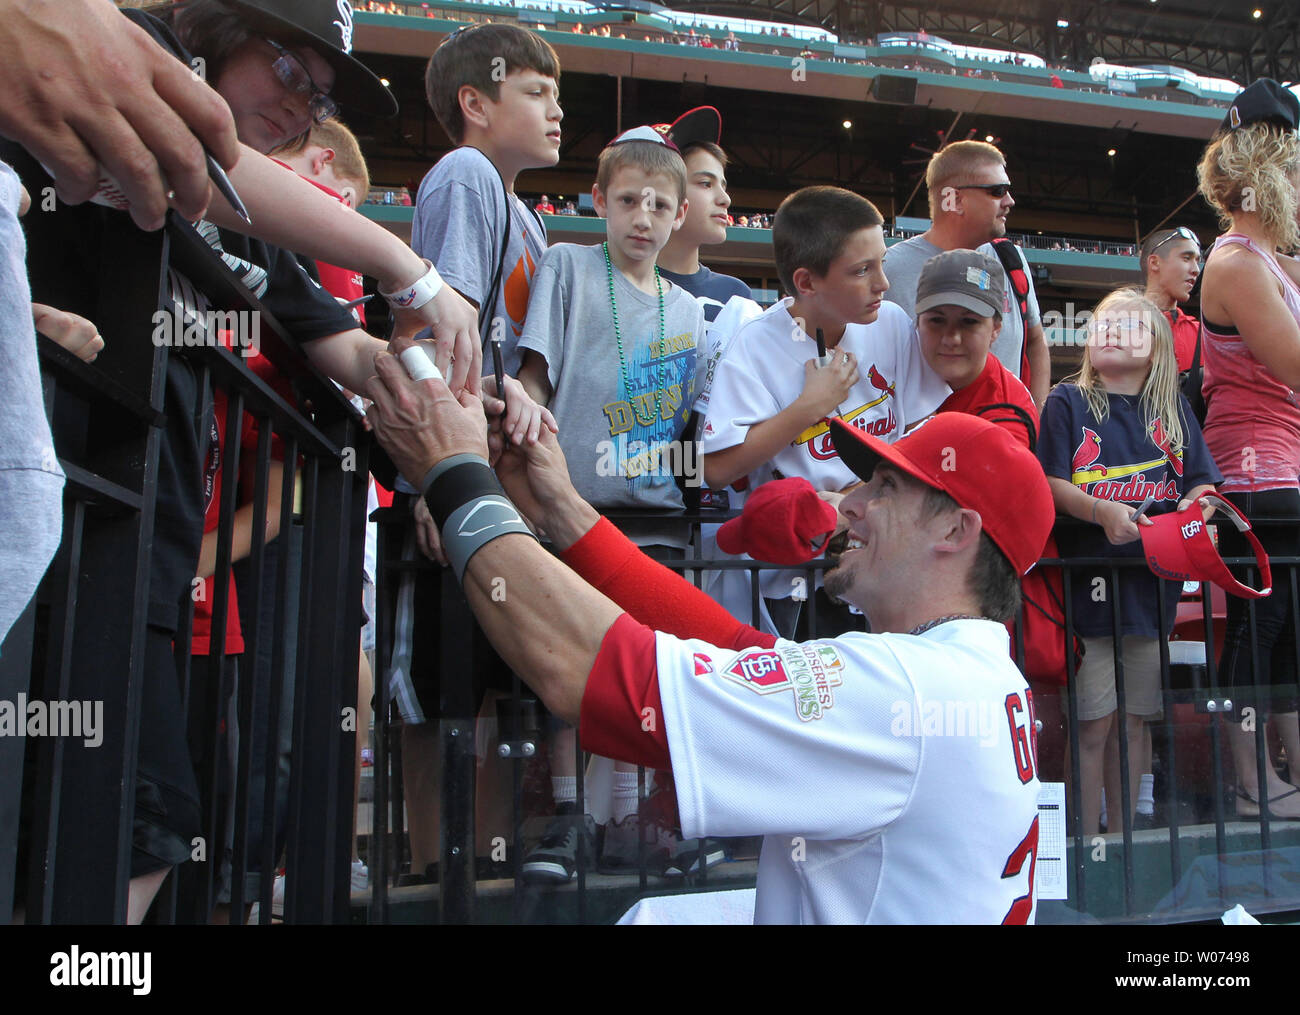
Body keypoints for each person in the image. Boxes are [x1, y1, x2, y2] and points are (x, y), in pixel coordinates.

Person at [364, 354, 1053, 924]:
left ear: (956, 531)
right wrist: (557, 505)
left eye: (886, 488)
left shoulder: (906, 685)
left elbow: (590, 672)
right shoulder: (967, 674)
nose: (851, 502)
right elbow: (734, 645)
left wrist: (455, 473)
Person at [394, 21, 563, 883]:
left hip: (489, 471)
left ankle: (486, 865)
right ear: (475, 100)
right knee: (441, 687)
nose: (557, 110)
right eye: (536, 91)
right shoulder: (466, 174)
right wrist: (436, 477)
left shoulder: (523, 214)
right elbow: (428, 329)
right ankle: (434, 867)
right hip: (453, 468)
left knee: (493, 683)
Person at [515, 127, 706, 882]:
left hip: (654, 514)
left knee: (647, 667)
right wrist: (525, 444)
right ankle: (570, 818)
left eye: (660, 204)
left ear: (679, 213)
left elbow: (694, 426)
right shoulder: (566, 267)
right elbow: (533, 377)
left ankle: (636, 819)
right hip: (571, 502)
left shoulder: (690, 312)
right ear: (598, 200)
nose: (643, 217)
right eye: (628, 199)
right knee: (570, 662)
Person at [701, 186, 949, 639]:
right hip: (800, 579)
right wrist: (808, 407)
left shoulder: (891, 322)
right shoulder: (756, 344)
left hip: (886, 560)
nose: (883, 283)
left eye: (882, 263)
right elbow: (715, 468)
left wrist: (869, 486)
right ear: (807, 282)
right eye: (861, 270)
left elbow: (920, 425)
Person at [1037, 288, 1220, 835]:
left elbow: (1202, 481)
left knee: (1135, 721)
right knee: (1093, 722)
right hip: (1089, 588)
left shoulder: (1175, 408)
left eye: (1130, 325)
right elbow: (1048, 482)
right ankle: (1086, 840)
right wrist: (1097, 510)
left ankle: (1122, 839)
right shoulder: (1068, 401)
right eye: (1104, 323)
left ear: (1158, 347)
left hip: (1152, 586)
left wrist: (1199, 505)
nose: (1114, 331)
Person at [1195, 79, 1300, 819]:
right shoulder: (1236, 262)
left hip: (1285, 465)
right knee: (1257, 632)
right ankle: (1247, 777)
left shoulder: (1270, 260)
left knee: (1288, 633)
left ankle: (1280, 771)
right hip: (1257, 469)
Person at [882, 141, 1051, 409]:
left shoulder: (1011, 259)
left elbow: (1036, 340)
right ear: (955, 199)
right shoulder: (888, 269)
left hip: (1006, 434)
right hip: (925, 441)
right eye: (998, 191)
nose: (1009, 201)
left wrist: (1037, 418)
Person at [915, 249, 1037, 447]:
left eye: (969, 322)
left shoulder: (1006, 416)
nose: (951, 338)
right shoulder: (896, 359)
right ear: (918, 323)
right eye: (937, 320)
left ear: (995, 329)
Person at [1140, 227, 1203, 373]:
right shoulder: (1118, 327)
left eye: (1197, 261)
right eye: (1186, 258)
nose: (1196, 270)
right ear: (1155, 263)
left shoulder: (1201, 334)